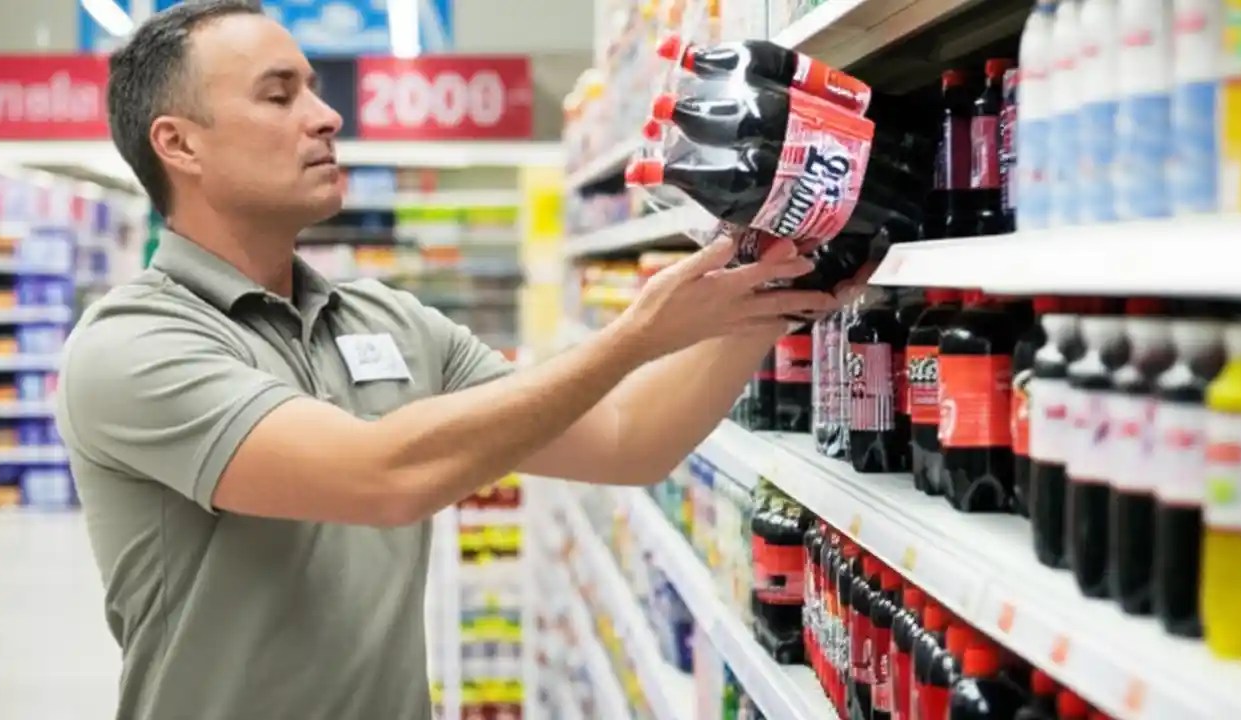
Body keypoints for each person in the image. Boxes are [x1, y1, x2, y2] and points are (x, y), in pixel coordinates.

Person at [55, 2, 846, 719]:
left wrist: (774, 292)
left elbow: (626, 440)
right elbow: (379, 479)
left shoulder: (388, 321)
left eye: (315, 89)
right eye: (279, 95)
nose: (327, 116)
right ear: (178, 143)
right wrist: (636, 334)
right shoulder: (132, 344)